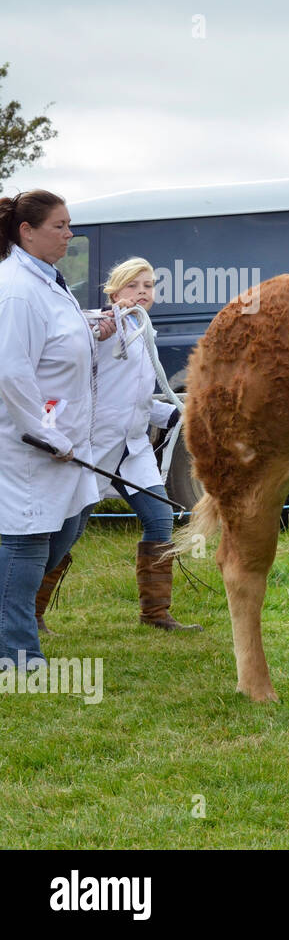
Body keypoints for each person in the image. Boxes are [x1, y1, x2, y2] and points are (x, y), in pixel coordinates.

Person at [0, 189, 115, 668]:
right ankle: (19, 655)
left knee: (70, 525)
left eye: (70, 225)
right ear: (27, 232)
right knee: (26, 542)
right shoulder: (16, 289)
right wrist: (47, 436)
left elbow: (56, 339)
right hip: (30, 444)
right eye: (59, 226)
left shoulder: (49, 282)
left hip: (70, 444)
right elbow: (11, 372)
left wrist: (92, 327)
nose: (70, 235)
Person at [87, 258, 199, 631]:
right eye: (134, 286)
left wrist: (178, 416)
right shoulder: (97, 329)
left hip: (133, 449)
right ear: (115, 292)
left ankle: (156, 614)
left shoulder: (143, 331)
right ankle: (30, 613)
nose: (143, 293)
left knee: (160, 520)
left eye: (148, 286)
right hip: (94, 450)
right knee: (64, 531)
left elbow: (138, 399)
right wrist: (98, 330)